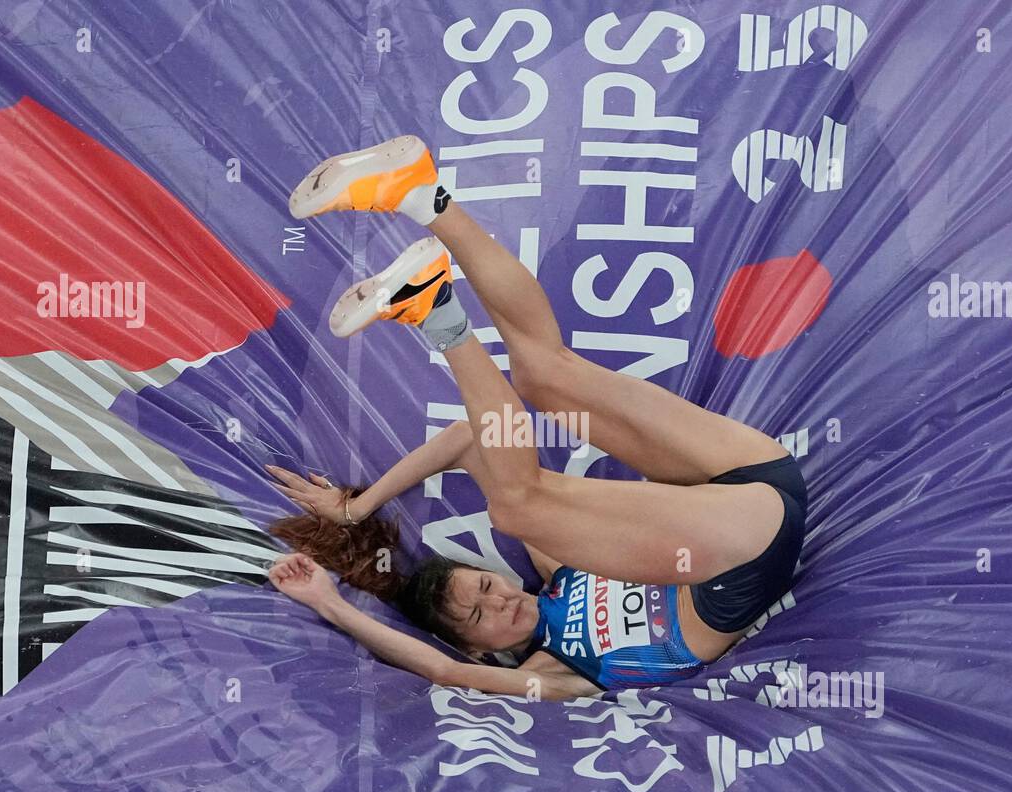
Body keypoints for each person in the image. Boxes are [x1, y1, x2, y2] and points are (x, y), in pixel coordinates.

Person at [266, 135, 808, 701]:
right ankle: (433, 302)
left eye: (482, 586)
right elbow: (447, 673)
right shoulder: (559, 669)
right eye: (479, 615)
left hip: (750, 482)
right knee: (517, 503)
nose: (497, 599)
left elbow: (463, 438)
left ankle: (422, 198)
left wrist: (357, 507)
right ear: (480, 648)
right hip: (746, 555)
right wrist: (328, 604)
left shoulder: (560, 568)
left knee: (544, 375)